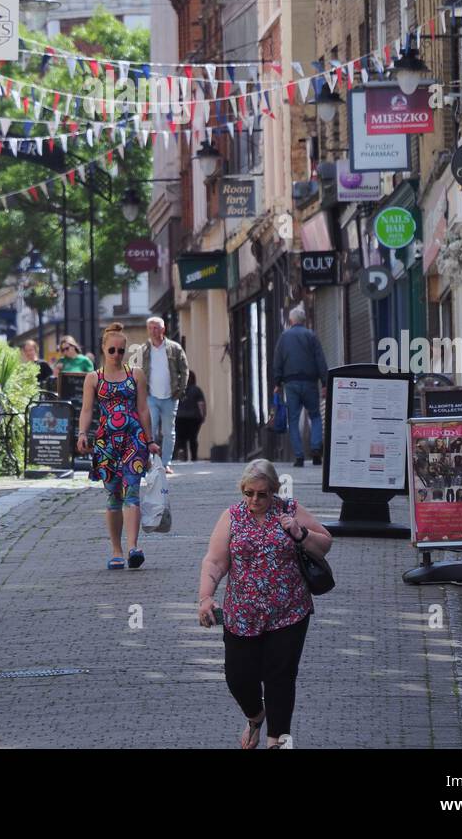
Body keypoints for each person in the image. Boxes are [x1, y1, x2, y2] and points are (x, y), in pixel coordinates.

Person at [198, 459, 332, 749]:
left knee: (280, 677)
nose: (255, 500)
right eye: (249, 493)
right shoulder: (232, 516)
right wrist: (205, 597)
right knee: (238, 678)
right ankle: (256, 716)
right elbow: (215, 560)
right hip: (241, 614)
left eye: (262, 494)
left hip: (289, 611)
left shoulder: (290, 510)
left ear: (274, 490)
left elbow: (325, 544)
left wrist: (300, 534)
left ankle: (276, 740)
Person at [77, 322, 159, 569]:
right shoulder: (94, 378)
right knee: (114, 496)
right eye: (112, 350)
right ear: (103, 349)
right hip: (106, 442)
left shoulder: (136, 375)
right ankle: (116, 550)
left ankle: (134, 546)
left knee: (132, 491)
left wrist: (150, 439)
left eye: (121, 351)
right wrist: (82, 433)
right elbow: (87, 410)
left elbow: (143, 409)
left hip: (133, 438)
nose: (116, 355)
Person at [271, 306, 328, 468]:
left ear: (291, 321)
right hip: (310, 382)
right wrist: (324, 383)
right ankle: (316, 448)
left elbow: (278, 361)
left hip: (291, 384)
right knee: (316, 416)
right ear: (304, 321)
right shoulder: (311, 336)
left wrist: (277, 383)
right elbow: (320, 360)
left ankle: (299, 456)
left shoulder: (284, 337)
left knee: (293, 420)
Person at [140, 316, 189, 475]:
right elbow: (137, 372)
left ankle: (166, 463)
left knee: (168, 431)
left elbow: (184, 370)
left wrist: (180, 390)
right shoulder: (143, 350)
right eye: (150, 328)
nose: (153, 331)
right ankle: (151, 463)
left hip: (170, 396)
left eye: (156, 328)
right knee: (150, 430)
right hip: (151, 396)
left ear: (163, 329)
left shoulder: (174, 348)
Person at [174, 372, 207, 462]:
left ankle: (182, 453)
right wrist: (203, 415)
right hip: (194, 417)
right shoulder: (197, 390)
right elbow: (201, 404)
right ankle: (194, 457)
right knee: (193, 438)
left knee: (181, 438)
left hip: (179, 416)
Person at [54, 336, 94, 402]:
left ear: (73, 346)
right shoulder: (62, 361)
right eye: (62, 350)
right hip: (65, 398)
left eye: (67, 348)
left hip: (81, 396)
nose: (65, 352)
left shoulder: (85, 360)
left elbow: (92, 379)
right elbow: (55, 379)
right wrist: (57, 369)